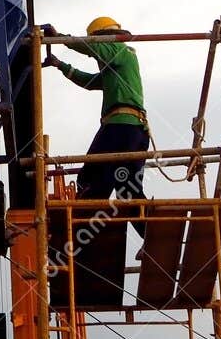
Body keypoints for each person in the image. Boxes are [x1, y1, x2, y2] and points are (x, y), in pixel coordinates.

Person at [42, 16, 149, 203]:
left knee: (91, 177)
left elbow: (93, 47)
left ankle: (86, 218)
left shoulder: (120, 49)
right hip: (136, 132)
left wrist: (60, 37)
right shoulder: (117, 70)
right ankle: (144, 220)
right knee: (127, 188)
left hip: (120, 128)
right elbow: (90, 82)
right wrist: (60, 65)